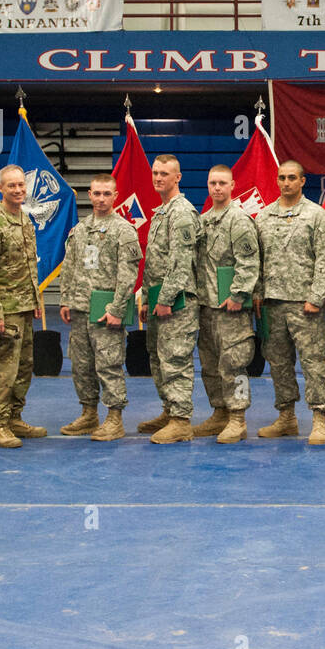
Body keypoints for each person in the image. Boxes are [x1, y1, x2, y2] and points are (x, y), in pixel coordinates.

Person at [254, 160, 325, 444]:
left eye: (292, 177)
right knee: (277, 362)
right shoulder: (263, 217)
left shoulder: (317, 216)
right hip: (272, 304)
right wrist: (257, 294)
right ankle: (287, 417)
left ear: (303, 181)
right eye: (282, 178)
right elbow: (257, 261)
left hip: (305, 305)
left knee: (313, 363)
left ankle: (319, 418)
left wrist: (317, 297)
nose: (286, 182)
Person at [58, 174, 142, 442]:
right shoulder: (79, 230)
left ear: (116, 196)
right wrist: (65, 299)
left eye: (107, 193)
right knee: (81, 366)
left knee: (108, 364)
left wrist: (118, 309)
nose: (101, 199)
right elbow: (69, 267)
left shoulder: (124, 231)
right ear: (89, 195)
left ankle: (114, 418)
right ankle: (88, 413)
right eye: (96, 193)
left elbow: (128, 276)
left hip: (106, 311)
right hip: (80, 309)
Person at [0, 164, 44, 448]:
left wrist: (36, 299)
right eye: (11, 186)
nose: (17, 190)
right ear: (0, 188)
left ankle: (14, 417)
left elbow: (29, 265)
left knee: (24, 366)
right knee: (2, 369)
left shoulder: (25, 220)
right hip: (4, 310)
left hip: (24, 306)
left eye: (20, 186)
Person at [193, 164, 261, 444]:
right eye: (212, 183)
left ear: (232, 186)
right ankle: (220, 412)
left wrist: (239, 294)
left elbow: (249, 262)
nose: (217, 188)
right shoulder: (203, 220)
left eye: (222, 183)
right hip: (206, 306)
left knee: (235, 365)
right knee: (210, 365)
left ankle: (238, 418)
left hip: (232, 308)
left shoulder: (239, 220)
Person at [136, 154, 202, 445]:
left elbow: (181, 261)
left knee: (175, 359)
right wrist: (148, 300)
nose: (158, 178)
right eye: (155, 173)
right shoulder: (161, 212)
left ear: (178, 178)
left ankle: (181, 421)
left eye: (165, 173)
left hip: (178, 301)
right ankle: (169, 410)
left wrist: (164, 298)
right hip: (159, 300)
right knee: (159, 359)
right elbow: (155, 262)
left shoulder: (182, 212)